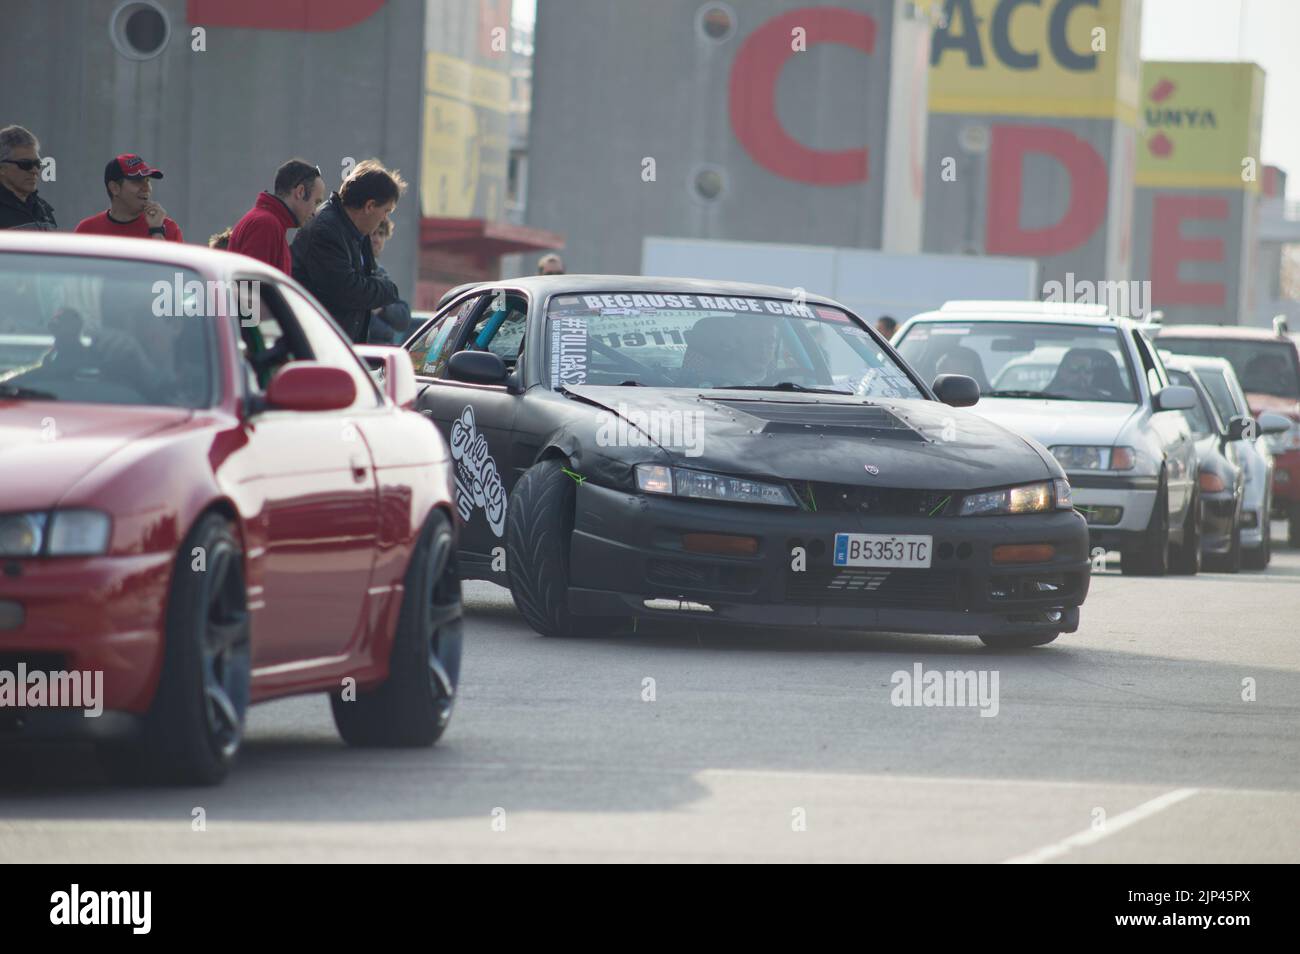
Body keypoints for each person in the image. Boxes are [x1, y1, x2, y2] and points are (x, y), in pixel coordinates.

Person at [291, 158, 403, 343]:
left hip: (338, 347)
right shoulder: (327, 230)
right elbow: (349, 290)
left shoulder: (355, 231)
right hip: (317, 347)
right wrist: (387, 290)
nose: (384, 219)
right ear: (369, 206)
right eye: (386, 211)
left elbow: (367, 279)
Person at [227, 159, 325, 274]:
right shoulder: (265, 225)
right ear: (300, 192)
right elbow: (251, 286)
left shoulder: (269, 222)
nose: (315, 212)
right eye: (316, 202)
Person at [74, 154, 183, 241]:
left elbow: (178, 270)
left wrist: (156, 232)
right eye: (137, 181)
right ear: (114, 188)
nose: (146, 188)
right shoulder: (87, 230)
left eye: (147, 180)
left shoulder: (168, 228)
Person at [0, 125, 56, 230]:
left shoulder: (43, 209)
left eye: (38, 164)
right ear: (1, 168)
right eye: (25, 164)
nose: (34, 171)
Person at [366, 217, 413, 344]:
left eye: (381, 234)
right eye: (372, 233)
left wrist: (382, 308)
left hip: (382, 353)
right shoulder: (355, 269)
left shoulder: (381, 273)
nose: (376, 239)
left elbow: (403, 318)